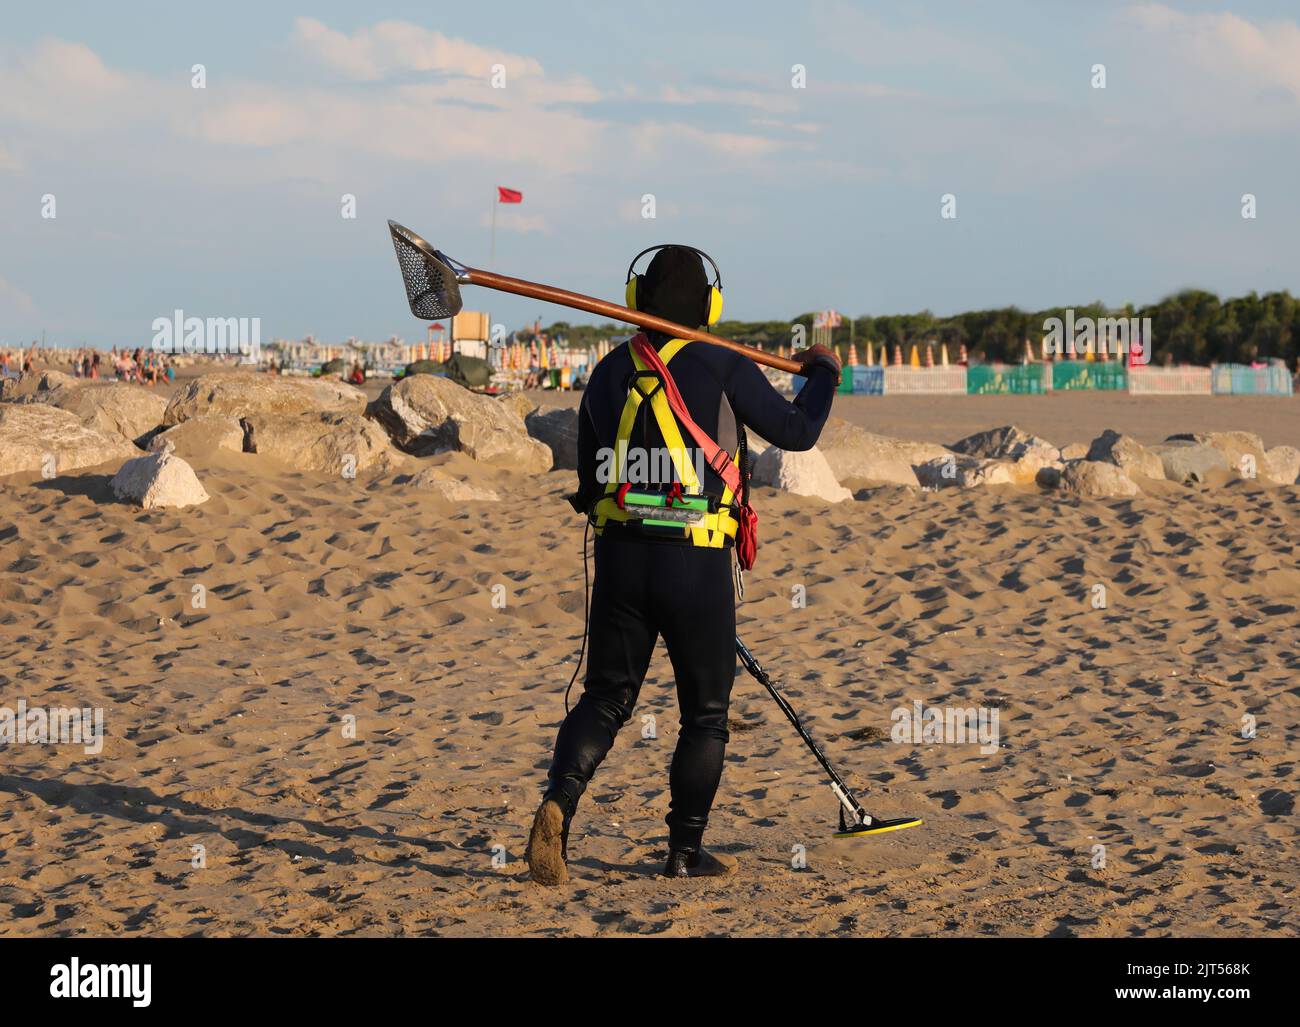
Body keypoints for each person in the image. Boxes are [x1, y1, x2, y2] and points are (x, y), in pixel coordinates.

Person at [525, 245, 840, 884]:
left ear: (637, 300)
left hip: (621, 561)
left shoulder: (609, 371)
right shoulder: (724, 363)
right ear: (710, 306)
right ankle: (683, 853)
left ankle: (559, 801)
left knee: (608, 697)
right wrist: (825, 372)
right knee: (705, 713)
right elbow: (798, 432)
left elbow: (589, 484)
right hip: (694, 564)